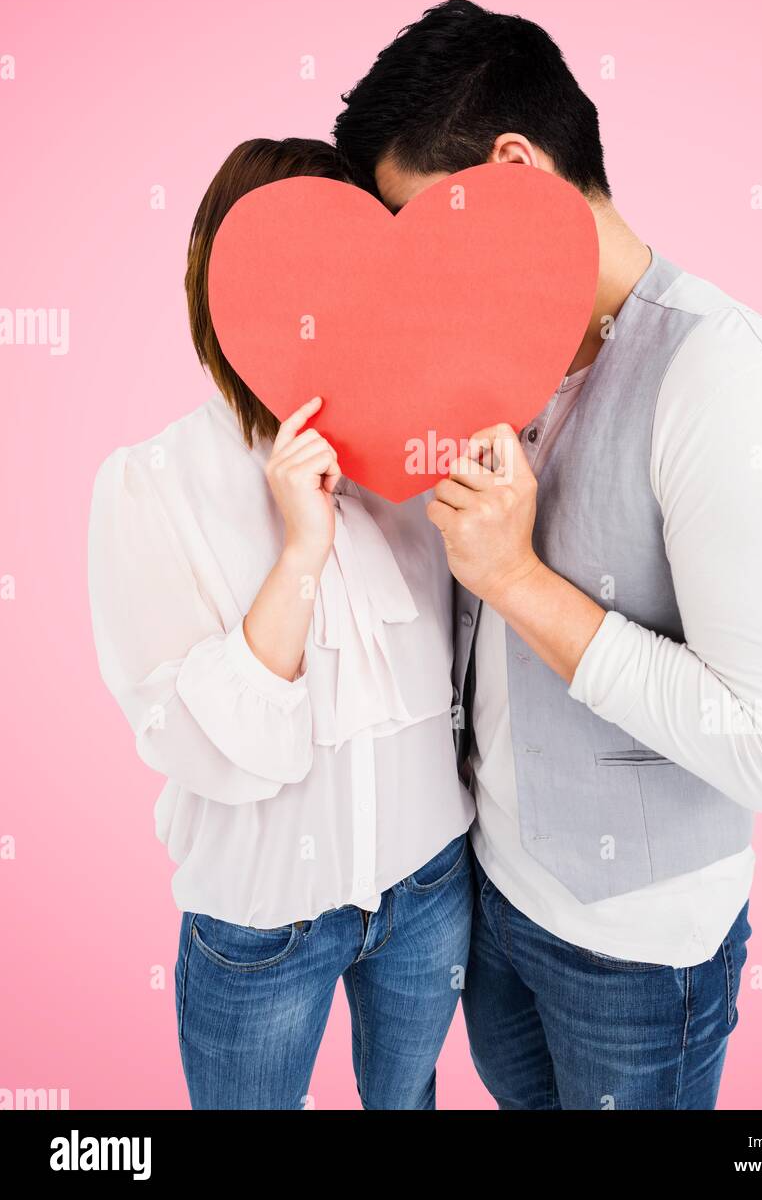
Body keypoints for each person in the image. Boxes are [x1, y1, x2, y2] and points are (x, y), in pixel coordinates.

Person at [334, 0, 762, 1110]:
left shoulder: (726, 378)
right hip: (494, 907)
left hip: (636, 954)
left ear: (513, 169)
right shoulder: (492, 359)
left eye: (418, 226)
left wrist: (517, 580)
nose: (414, 275)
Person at [87, 137, 475, 1111]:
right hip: (259, 922)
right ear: (222, 284)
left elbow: (470, 671)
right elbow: (204, 743)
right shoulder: (152, 482)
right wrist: (300, 548)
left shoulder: (418, 453)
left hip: (429, 888)